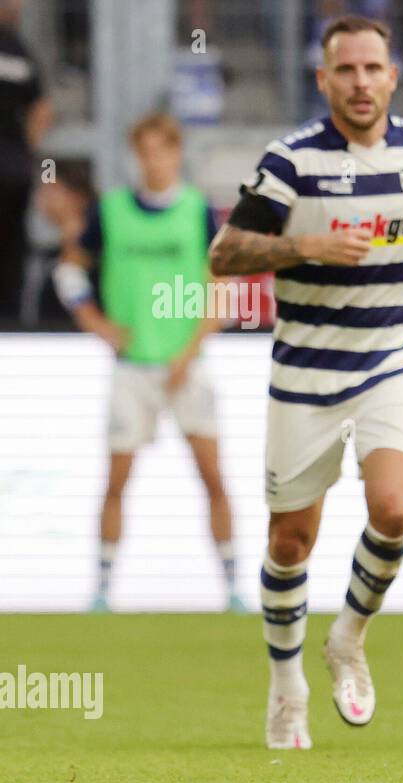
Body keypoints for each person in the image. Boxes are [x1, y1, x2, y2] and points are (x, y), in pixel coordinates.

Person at [208, 15, 403, 749]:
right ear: (324, 80)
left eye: (371, 69)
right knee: (290, 541)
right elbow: (224, 255)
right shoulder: (291, 162)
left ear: (392, 76)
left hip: (392, 357)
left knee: (394, 507)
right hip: (307, 369)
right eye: (344, 70)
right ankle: (288, 686)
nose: (359, 82)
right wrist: (303, 245)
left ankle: (348, 639)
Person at [54, 113, 243, 614]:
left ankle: (232, 586)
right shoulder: (110, 213)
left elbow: (221, 287)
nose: (153, 161)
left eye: (162, 150)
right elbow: (70, 271)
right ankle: (102, 587)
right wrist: (96, 323)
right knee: (117, 479)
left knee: (213, 477)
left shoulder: (198, 213)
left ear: (176, 153)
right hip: (132, 367)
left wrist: (188, 349)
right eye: (144, 152)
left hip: (187, 365)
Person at [0, 0, 53, 324]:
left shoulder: (17, 46)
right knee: (11, 247)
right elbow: (42, 109)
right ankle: (9, 318)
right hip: (12, 164)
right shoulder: (19, 50)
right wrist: (22, 150)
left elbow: (42, 110)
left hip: (10, 166)